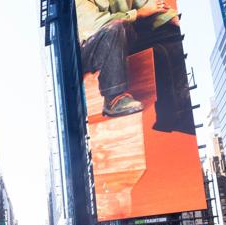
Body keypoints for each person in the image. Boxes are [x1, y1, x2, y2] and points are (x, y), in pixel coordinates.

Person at [76, 0, 193, 134]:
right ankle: (113, 99)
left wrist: (174, 19)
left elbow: (152, 6)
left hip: (123, 36)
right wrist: (139, 13)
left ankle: (179, 113)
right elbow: (97, 24)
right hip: (88, 47)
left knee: (173, 35)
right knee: (115, 27)